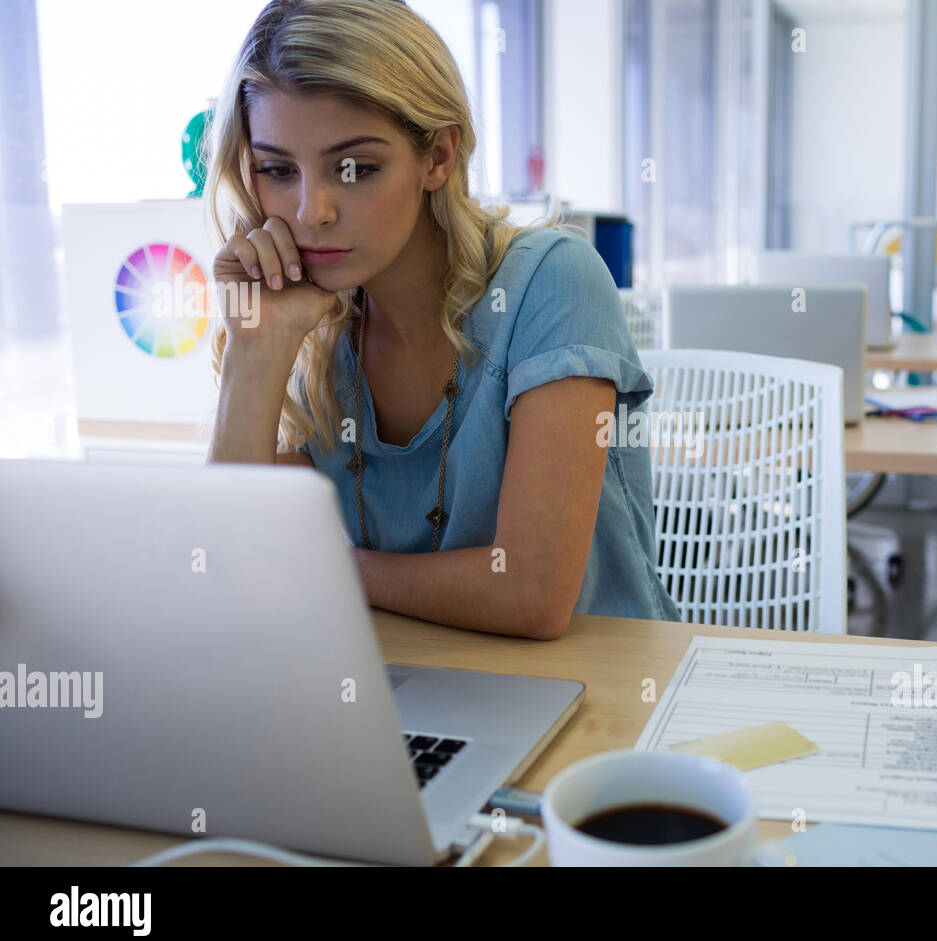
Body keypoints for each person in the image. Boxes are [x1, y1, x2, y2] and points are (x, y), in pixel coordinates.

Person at [204, 0, 680, 638]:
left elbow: (529, 595)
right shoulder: (313, 319)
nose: (311, 210)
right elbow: (233, 568)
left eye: (355, 169)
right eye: (277, 170)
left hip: (602, 705)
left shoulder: (554, 279)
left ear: (438, 156)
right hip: (409, 692)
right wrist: (255, 349)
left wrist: (321, 566)